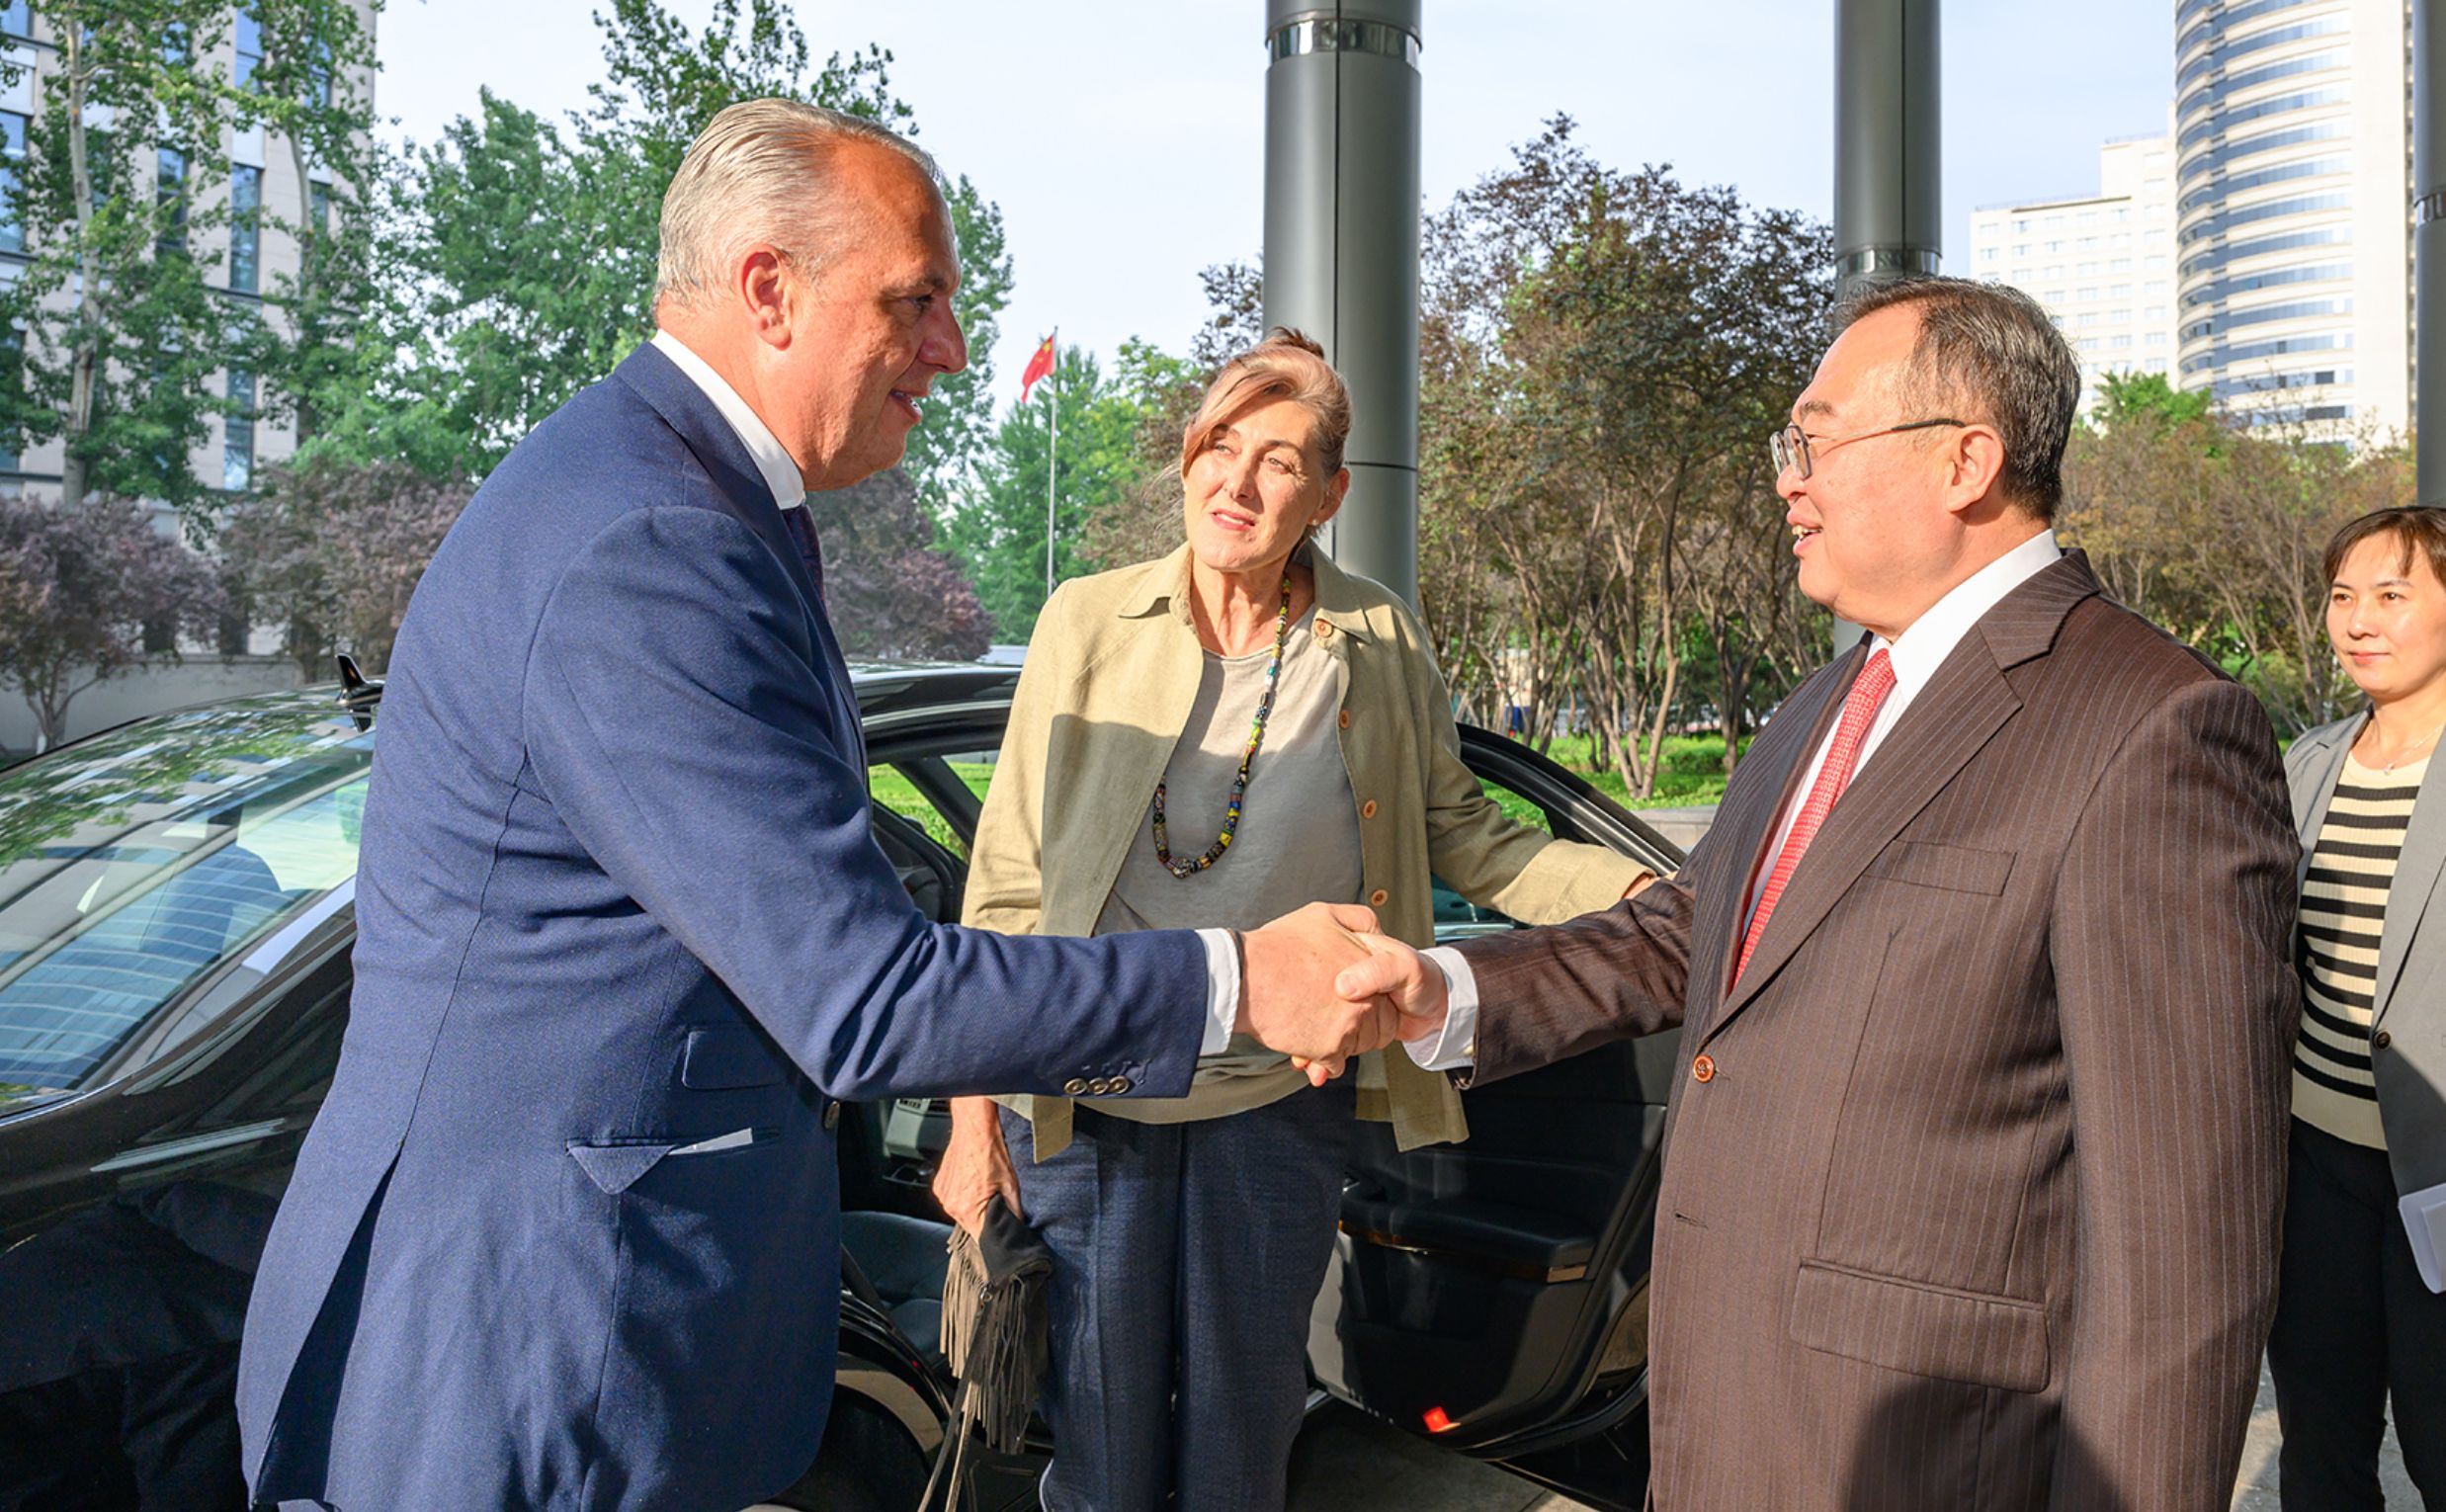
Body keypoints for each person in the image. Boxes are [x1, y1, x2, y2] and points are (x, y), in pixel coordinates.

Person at [232, 101, 1404, 1512]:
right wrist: (1240, 976)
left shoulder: (666, 489)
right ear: (769, 290)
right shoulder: (652, 540)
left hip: (556, 1327)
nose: (953, 348)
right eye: (917, 300)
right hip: (537, 1352)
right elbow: (862, 999)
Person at [1335, 277, 2302, 1511]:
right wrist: (1440, 988)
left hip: (1939, 1452)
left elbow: (2182, 1254)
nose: (1789, 478)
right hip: (1734, 1404)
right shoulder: (1828, 703)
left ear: (1967, 460)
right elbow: (1691, 930)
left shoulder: (2153, 725)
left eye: (1817, 438)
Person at [928, 330, 1651, 1511]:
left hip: (1276, 1102)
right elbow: (1005, 885)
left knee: (1237, 1453)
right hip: (1085, 1099)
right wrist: (971, 1124)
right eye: (1219, 445)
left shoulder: (1374, 639)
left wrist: (1647, 896)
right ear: (1184, 460)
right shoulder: (1086, 620)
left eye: (1278, 459)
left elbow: (1467, 837)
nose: (1238, 481)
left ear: (1327, 494)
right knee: (1100, 1461)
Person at [2266, 506, 2446, 1507]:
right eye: (2342, 596)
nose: (2357, 620)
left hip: (2438, 1177)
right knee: (2323, 1451)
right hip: (2315, 1173)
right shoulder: (2309, 763)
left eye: (2392, 594)